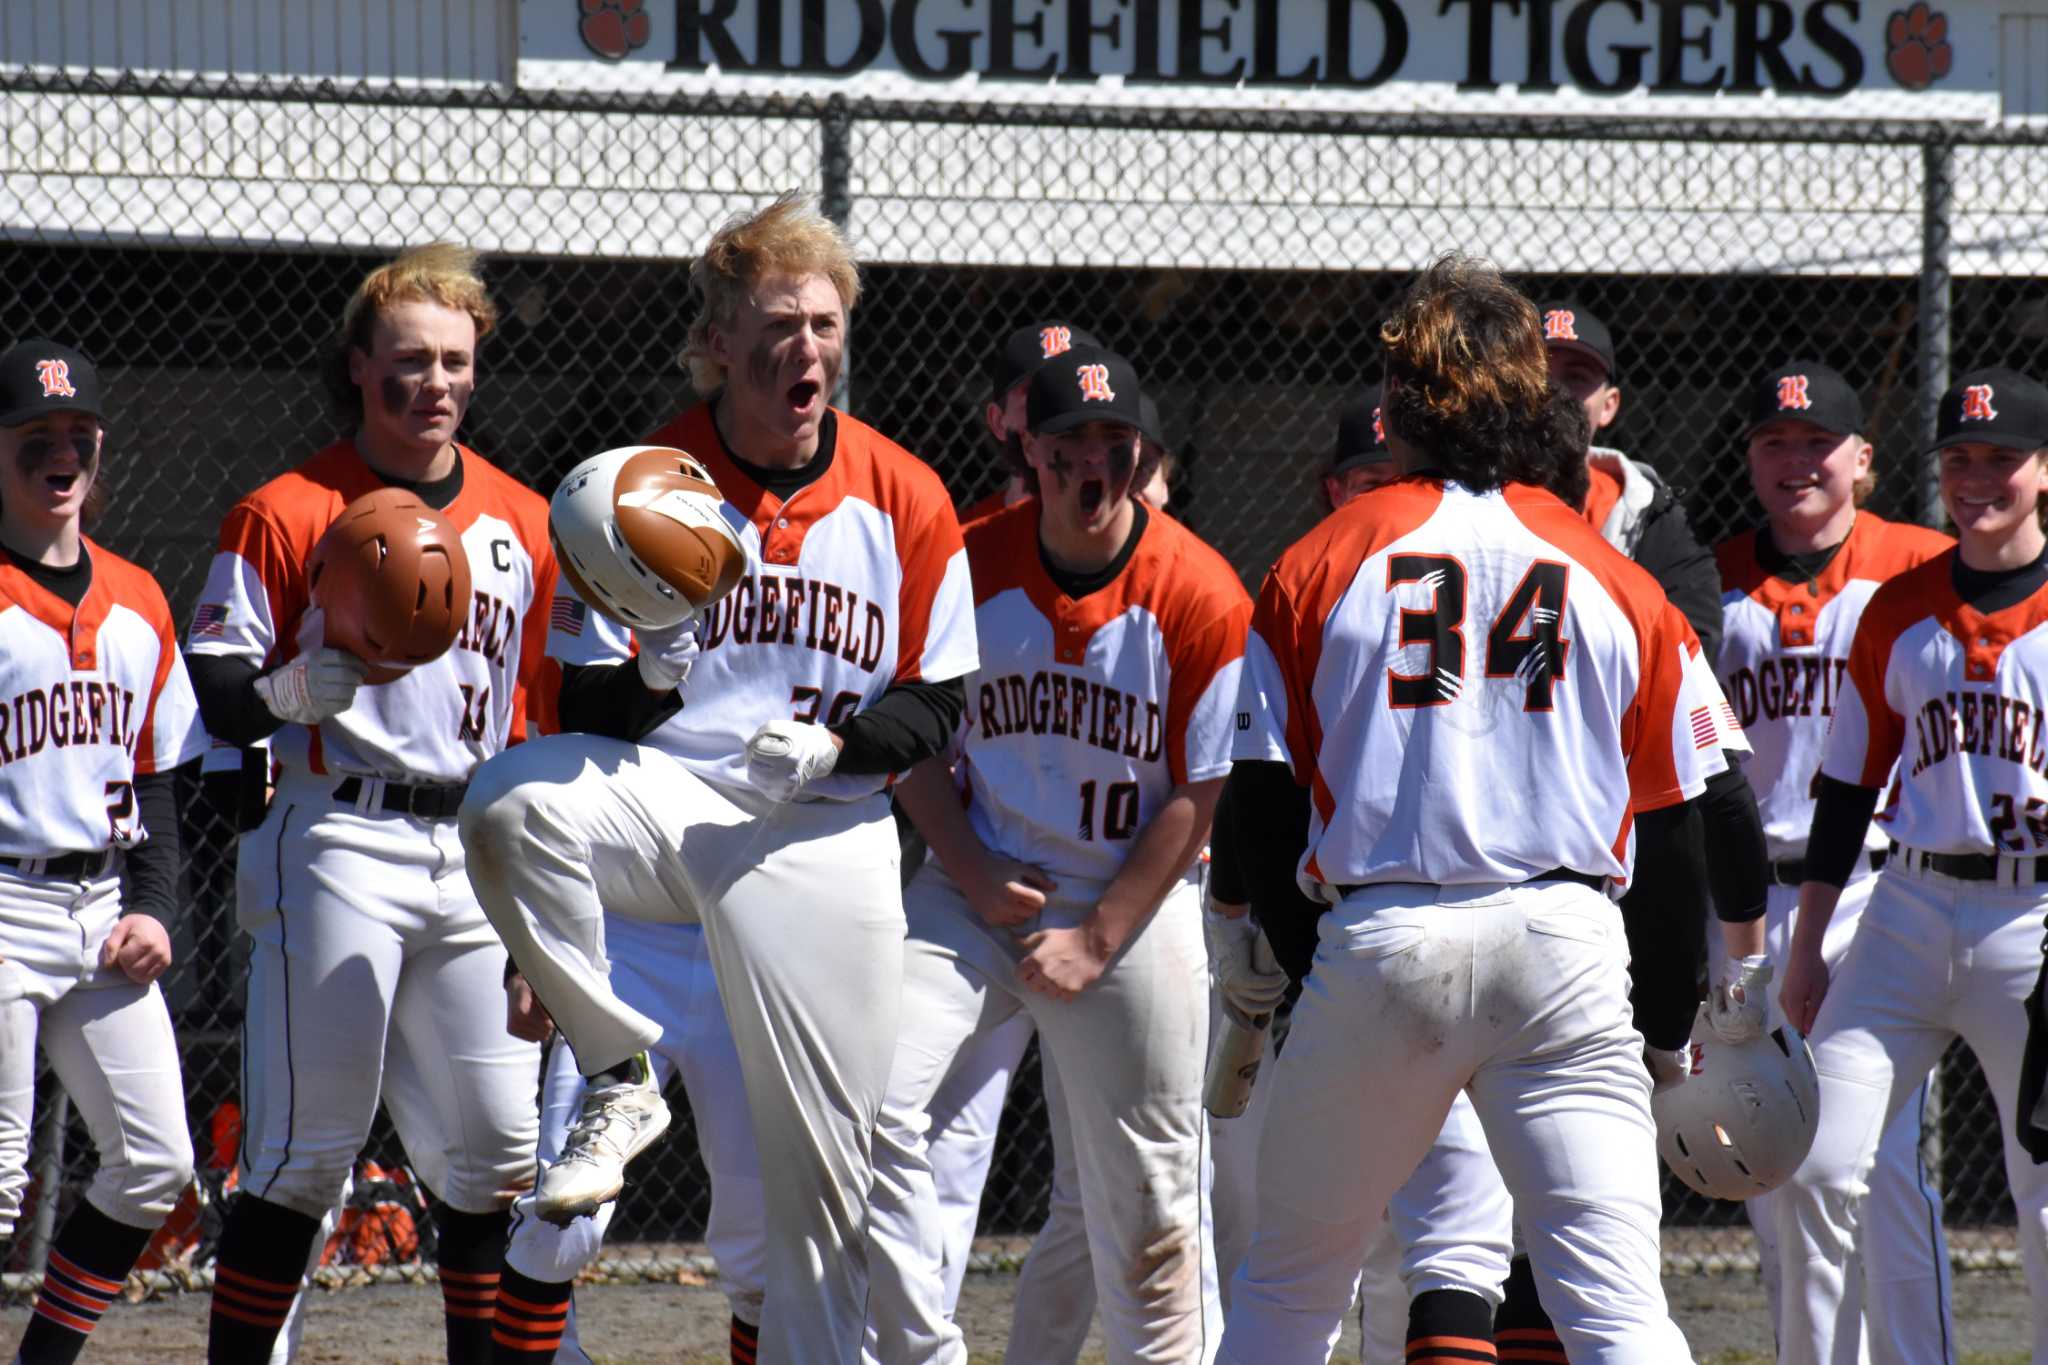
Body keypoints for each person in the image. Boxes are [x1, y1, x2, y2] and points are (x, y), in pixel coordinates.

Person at [458, 193, 978, 1365]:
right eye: (779, 324)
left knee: (780, 1237)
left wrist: (842, 753)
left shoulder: (904, 494)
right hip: (662, 842)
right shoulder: (637, 484)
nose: (807, 348)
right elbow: (576, 707)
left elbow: (940, 697)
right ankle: (614, 1064)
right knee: (560, 1216)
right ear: (719, 344)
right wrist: (652, 665)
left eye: (824, 323)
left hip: (813, 859)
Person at [1217, 256, 1755, 1363]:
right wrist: (1660, 1024)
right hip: (1562, 940)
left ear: (1401, 401)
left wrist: (1301, 957)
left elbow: (1262, 814)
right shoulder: (1613, 574)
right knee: (1613, 1309)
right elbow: (1677, 827)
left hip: (1384, 931)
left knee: (1288, 1291)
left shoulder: (1318, 559)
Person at [187, 244, 556, 1364]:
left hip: (478, 843)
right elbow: (215, 682)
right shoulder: (286, 506)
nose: (433, 383)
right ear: (357, 366)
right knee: (306, 1154)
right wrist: (285, 693)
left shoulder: (525, 521)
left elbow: (537, 716)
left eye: (453, 361)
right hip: (337, 827)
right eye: (407, 360)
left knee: (495, 1157)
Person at [865, 345, 1249, 1363]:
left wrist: (1098, 934)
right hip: (972, 876)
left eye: (1115, 444)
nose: (1094, 463)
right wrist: (972, 868)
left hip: (1131, 899)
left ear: (1143, 455)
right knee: (863, 1108)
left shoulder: (1198, 592)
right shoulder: (964, 560)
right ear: (1027, 449)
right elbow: (908, 747)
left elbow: (1202, 791)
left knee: (1151, 1205)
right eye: (1070, 443)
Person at [1776, 367, 2048, 1365]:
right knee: (1810, 1164)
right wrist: (1806, 954)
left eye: (1999, 459)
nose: (1976, 478)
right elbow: (1845, 792)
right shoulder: (1894, 609)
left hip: (2034, 921)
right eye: (1957, 459)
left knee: (2044, 1200)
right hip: (1901, 911)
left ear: (2042, 471)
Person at [1713, 361, 1954, 1358]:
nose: (1794, 460)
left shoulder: (1922, 562)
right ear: (1749, 459)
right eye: (1773, 441)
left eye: (1816, 443)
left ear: (1860, 458)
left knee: (1884, 1164)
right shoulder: (1712, 576)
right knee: (1770, 1174)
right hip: (1743, 902)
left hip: (1876, 889)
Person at [0, 338, 206, 1364]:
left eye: (78, 435)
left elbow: (159, 775)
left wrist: (158, 907)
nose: (61, 453)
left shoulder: (139, 599)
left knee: (154, 1162)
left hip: (99, 909)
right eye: (36, 436)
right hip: (1, 903)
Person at [496, 920, 765, 1365]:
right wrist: (526, 954)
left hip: (744, 955)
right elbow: (539, 849)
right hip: (620, 953)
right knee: (560, 1213)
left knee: (759, 1254)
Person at [958, 321, 1101, 525]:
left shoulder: (1149, 537)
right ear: (998, 421)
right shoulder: (965, 541)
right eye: (1040, 393)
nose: (1062, 407)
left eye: (1077, 390)